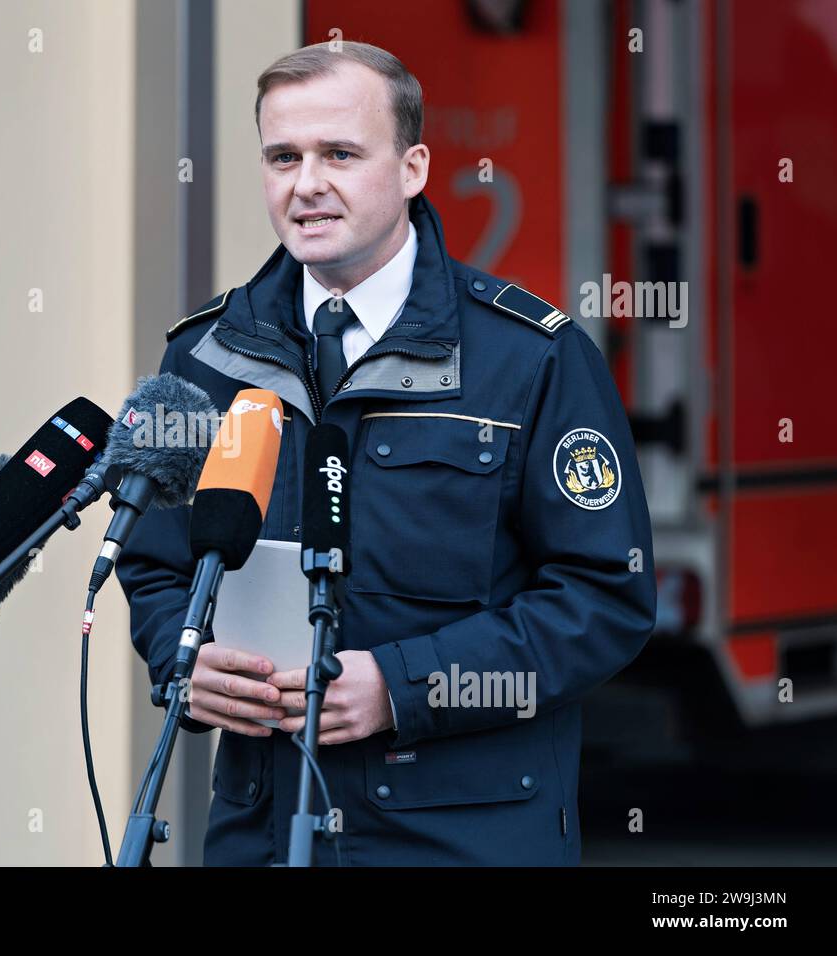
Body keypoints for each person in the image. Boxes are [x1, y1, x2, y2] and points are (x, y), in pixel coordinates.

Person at [115, 41, 657, 866]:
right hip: (261, 830)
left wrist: (405, 689)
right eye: (283, 157)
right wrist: (185, 660)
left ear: (412, 168)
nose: (307, 185)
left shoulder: (531, 359)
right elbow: (153, 567)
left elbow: (603, 598)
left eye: (340, 154)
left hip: (460, 837)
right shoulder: (205, 356)